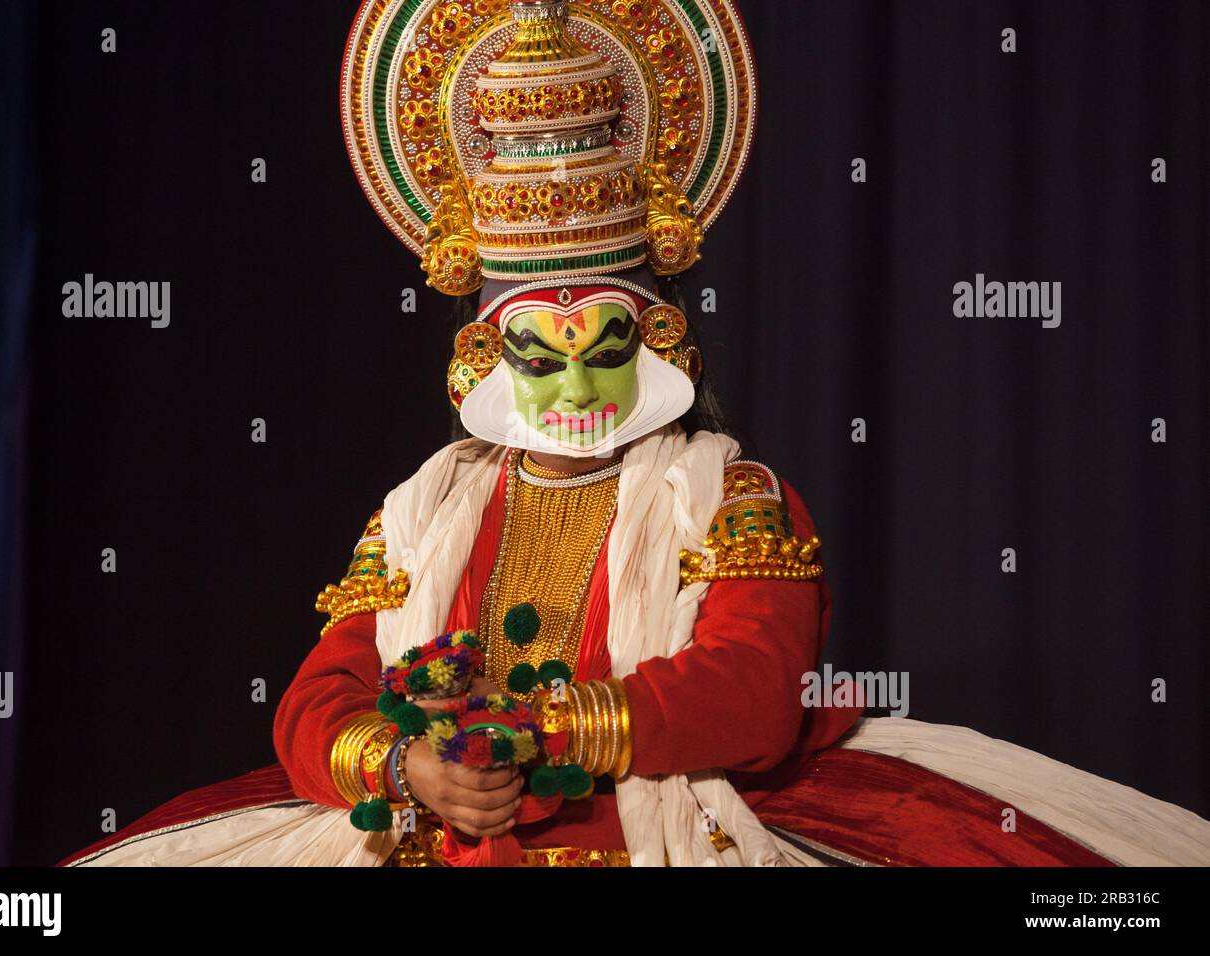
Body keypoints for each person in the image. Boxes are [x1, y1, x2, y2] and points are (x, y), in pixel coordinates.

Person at [62, 0, 1210, 867]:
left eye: (601, 342)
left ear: (659, 338)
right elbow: (320, 694)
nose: (569, 376)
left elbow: (753, 694)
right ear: (481, 359)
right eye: (536, 348)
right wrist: (404, 762)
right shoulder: (424, 506)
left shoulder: (729, 490)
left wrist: (547, 724)